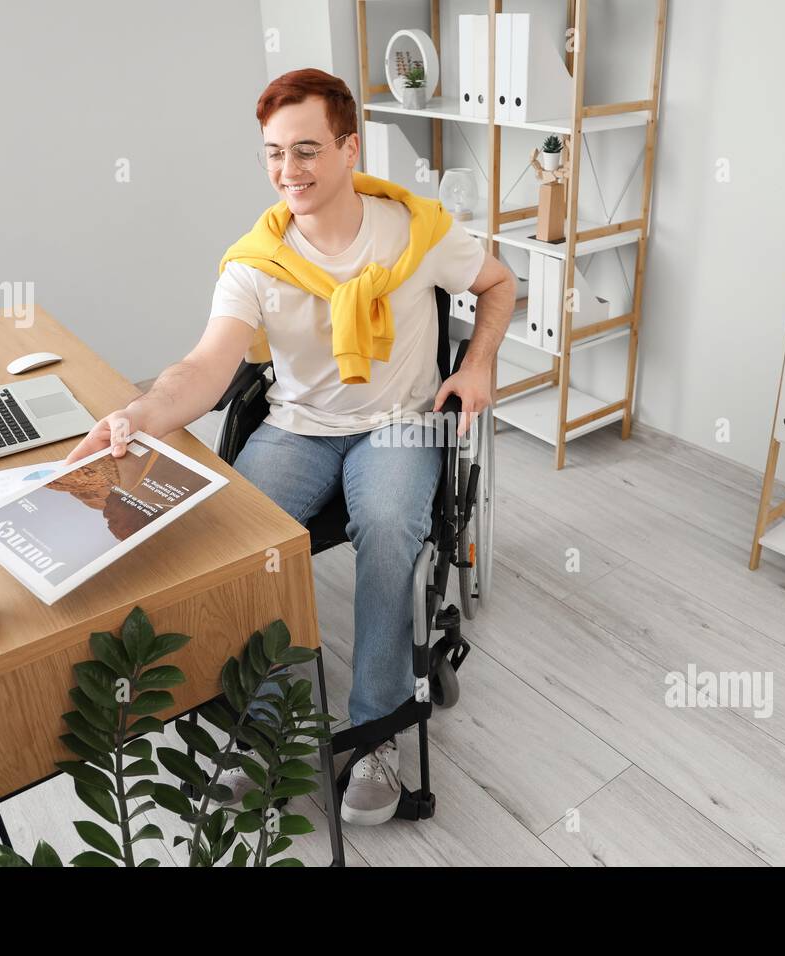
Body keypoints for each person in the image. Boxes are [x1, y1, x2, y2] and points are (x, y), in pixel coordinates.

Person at [66, 67, 515, 826]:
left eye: (306, 150)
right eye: (274, 153)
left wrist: (475, 367)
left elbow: (500, 283)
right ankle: (259, 732)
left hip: (397, 423)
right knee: (230, 539)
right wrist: (137, 415)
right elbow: (206, 368)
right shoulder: (256, 260)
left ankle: (375, 735)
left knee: (389, 530)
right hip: (298, 425)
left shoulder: (417, 231)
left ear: (349, 148)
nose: (288, 172)